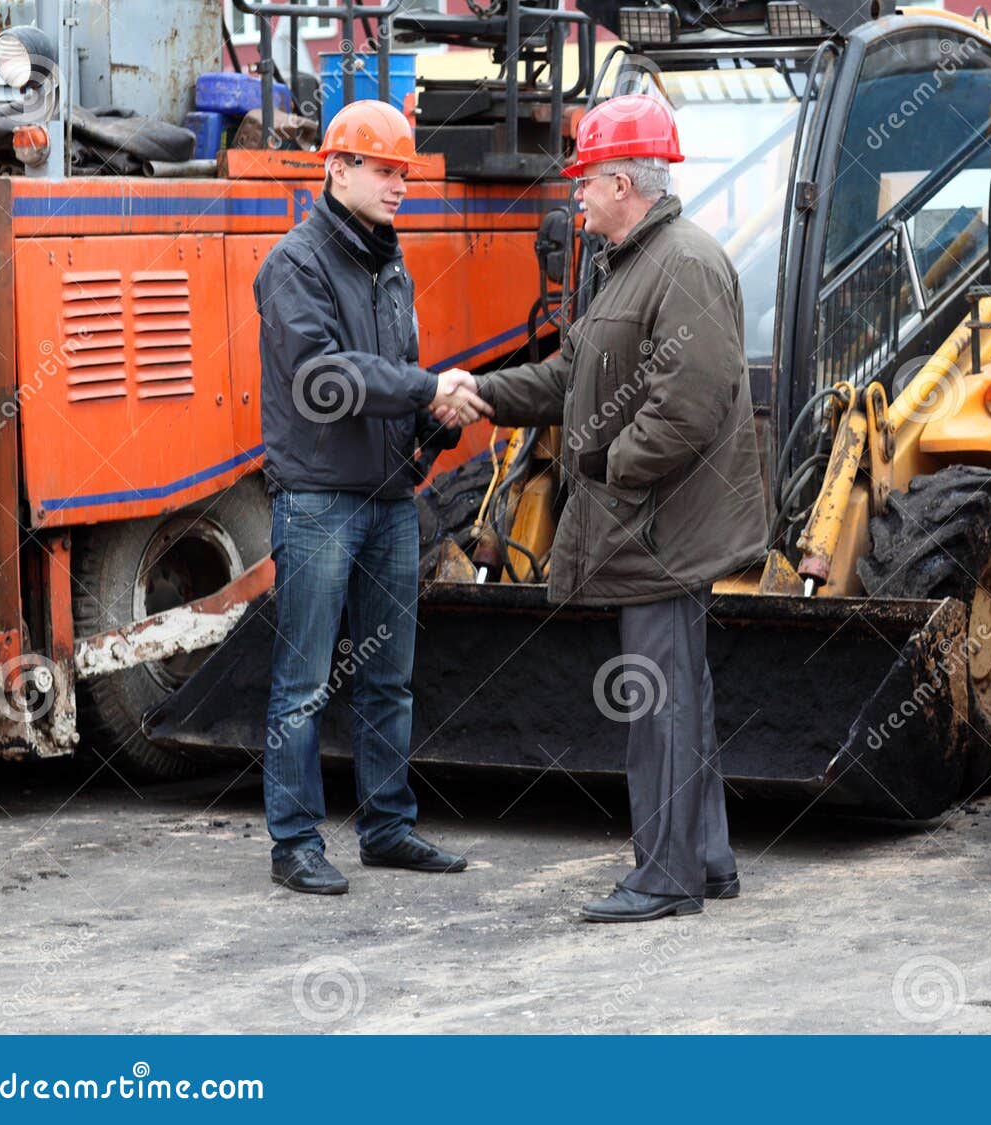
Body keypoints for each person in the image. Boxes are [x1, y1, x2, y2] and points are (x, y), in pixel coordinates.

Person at [467, 95, 768, 922]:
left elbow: (687, 405)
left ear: (626, 183)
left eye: (586, 180)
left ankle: (664, 877)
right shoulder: (629, 265)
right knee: (680, 696)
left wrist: (609, 468)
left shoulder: (685, 264)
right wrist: (483, 394)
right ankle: (704, 859)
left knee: (658, 703)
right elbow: (571, 381)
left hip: (661, 529)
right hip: (650, 522)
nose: (578, 196)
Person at [253, 100, 492, 895]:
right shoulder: (294, 265)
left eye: (403, 172)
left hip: (388, 498)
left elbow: (395, 378)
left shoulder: (391, 263)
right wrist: (427, 386)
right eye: (384, 171)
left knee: (389, 674)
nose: (399, 185)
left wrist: (435, 421)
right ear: (336, 168)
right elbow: (325, 378)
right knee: (304, 678)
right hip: (320, 498)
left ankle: (386, 826)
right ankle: (295, 842)